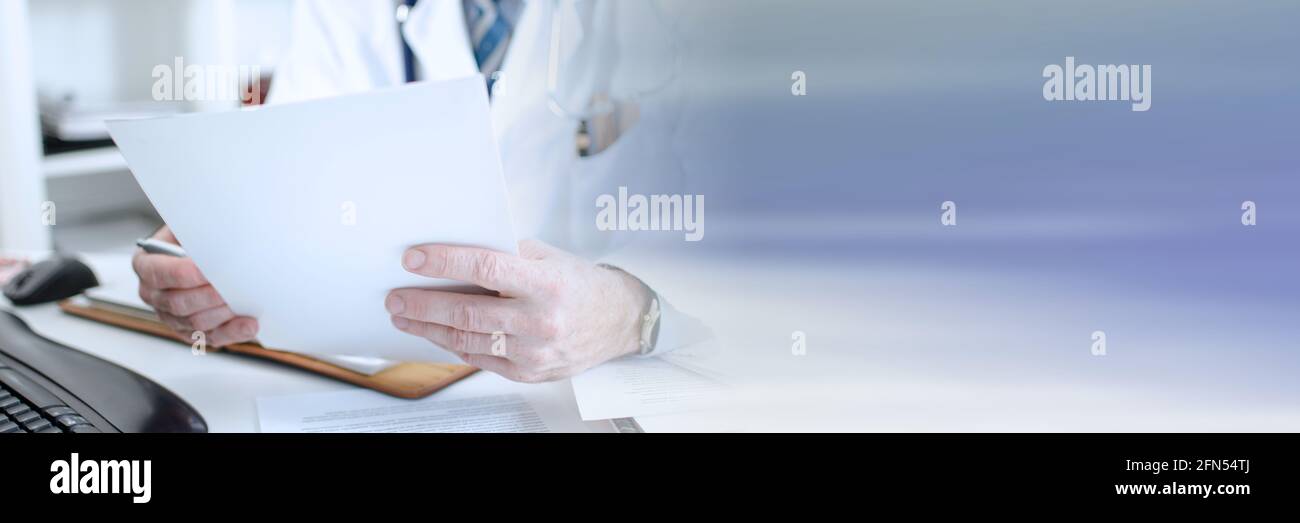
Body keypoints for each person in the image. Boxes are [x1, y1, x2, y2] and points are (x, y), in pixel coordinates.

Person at [132, 0, 703, 382]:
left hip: (616, 388)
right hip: (398, 386)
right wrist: (209, 245)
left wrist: (629, 316)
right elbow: (285, 170)